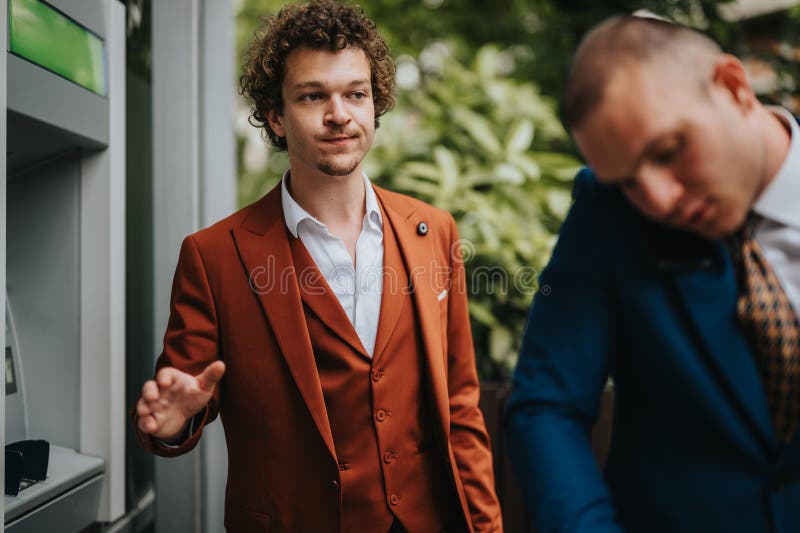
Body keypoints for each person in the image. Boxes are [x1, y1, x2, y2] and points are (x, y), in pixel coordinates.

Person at [132, 1, 503, 531]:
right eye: (313, 96)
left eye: (356, 94)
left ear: (376, 106)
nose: (339, 114)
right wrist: (173, 423)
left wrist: (487, 528)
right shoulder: (213, 256)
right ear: (277, 116)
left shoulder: (433, 231)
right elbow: (180, 396)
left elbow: (461, 407)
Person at [505, 14, 800, 533]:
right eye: (629, 183)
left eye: (668, 152)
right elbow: (546, 407)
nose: (659, 199)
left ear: (734, 87)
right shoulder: (607, 213)